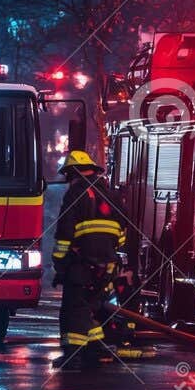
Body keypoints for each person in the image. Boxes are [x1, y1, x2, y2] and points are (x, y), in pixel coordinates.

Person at [51, 150, 128, 372]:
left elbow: (65, 232)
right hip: (107, 265)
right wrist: (110, 254)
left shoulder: (75, 193)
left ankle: (73, 355)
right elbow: (124, 229)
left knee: (73, 308)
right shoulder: (111, 194)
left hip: (81, 263)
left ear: (73, 173)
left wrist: (60, 263)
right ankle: (95, 349)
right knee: (92, 306)